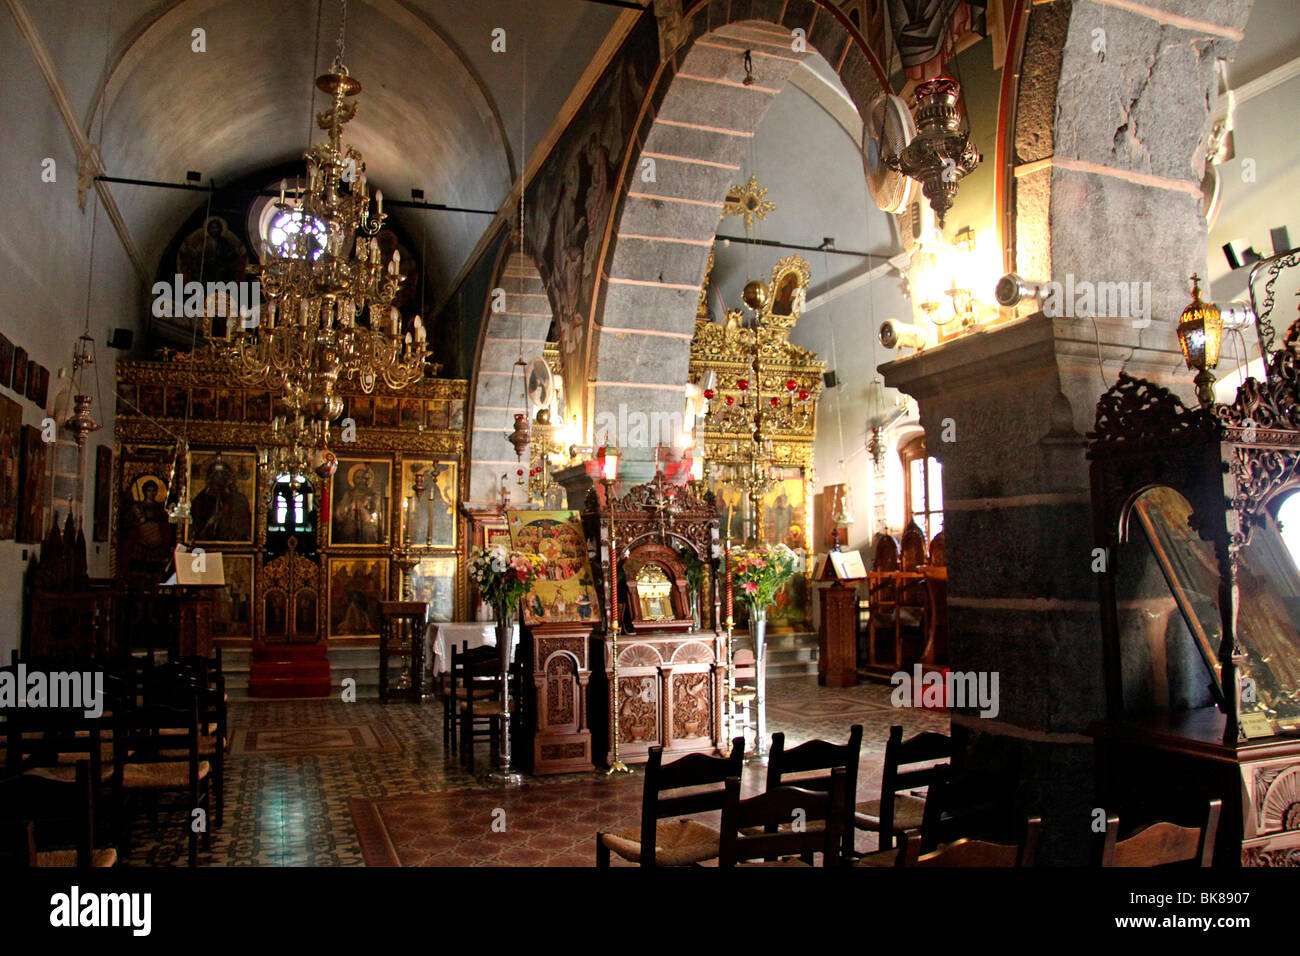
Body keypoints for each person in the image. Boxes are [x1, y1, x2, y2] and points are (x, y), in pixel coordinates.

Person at [191, 455, 252, 541]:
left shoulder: (239, 499)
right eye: (215, 476)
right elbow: (195, 525)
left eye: (222, 476)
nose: (219, 479)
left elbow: (243, 526)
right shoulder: (201, 500)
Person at [333, 464, 385, 543]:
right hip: (350, 526)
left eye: (363, 478)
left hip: (367, 527)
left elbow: (376, 512)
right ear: (353, 479)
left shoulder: (372, 495)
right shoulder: (349, 494)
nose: (361, 480)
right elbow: (340, 511)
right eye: (358, 477)